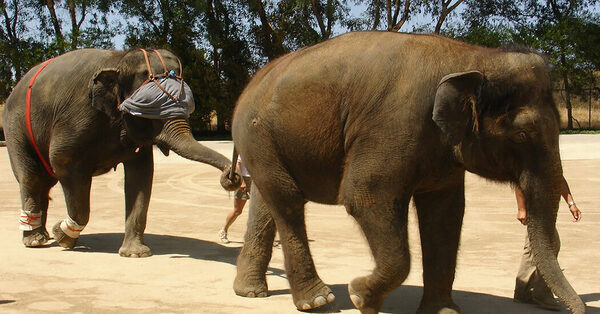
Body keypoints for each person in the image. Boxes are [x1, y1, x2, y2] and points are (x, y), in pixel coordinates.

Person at [513, 176, 581, 311]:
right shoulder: (535, 154)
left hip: (546, 206)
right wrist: (521, 208)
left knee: (532, 246)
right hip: (535, 206)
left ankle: (523, 290)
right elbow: (519, 179)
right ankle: (542, 292)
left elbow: (558, 177)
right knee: (549, 245)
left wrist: (571, 203)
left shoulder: (549, 158)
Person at [218, 155, 251, 244]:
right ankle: (223, 230)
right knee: (238, 211)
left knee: (264, 209)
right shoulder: (245, 144)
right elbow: (237, 164)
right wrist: (242, 182)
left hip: (257, 178)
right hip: (244, 178)